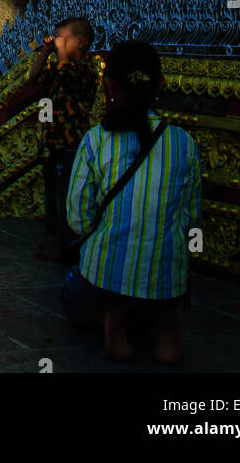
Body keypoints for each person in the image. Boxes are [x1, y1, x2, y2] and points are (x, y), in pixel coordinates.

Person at [62, 41, 201, 365]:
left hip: (104, 278)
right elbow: (191, 220)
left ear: (110, 86)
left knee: (71, 295)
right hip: (168, 280)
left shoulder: (96, 139)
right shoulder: (183, 142)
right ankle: (167, 331)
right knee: (159, 267)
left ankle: (115, 325)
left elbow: (78, 219)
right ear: (159, 85)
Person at [29, 18, 103, 261]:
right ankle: (57, 240)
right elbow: (34, 76)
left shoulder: (83, 69)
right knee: (54, 193)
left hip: (71, 142)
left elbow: (62, 73)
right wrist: (46, 52)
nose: (57, 41)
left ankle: (67, 246)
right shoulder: (61, 66)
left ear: (81, 42)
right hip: (55, 141)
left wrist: (56, 53)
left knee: (66, 196)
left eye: (63, 37)